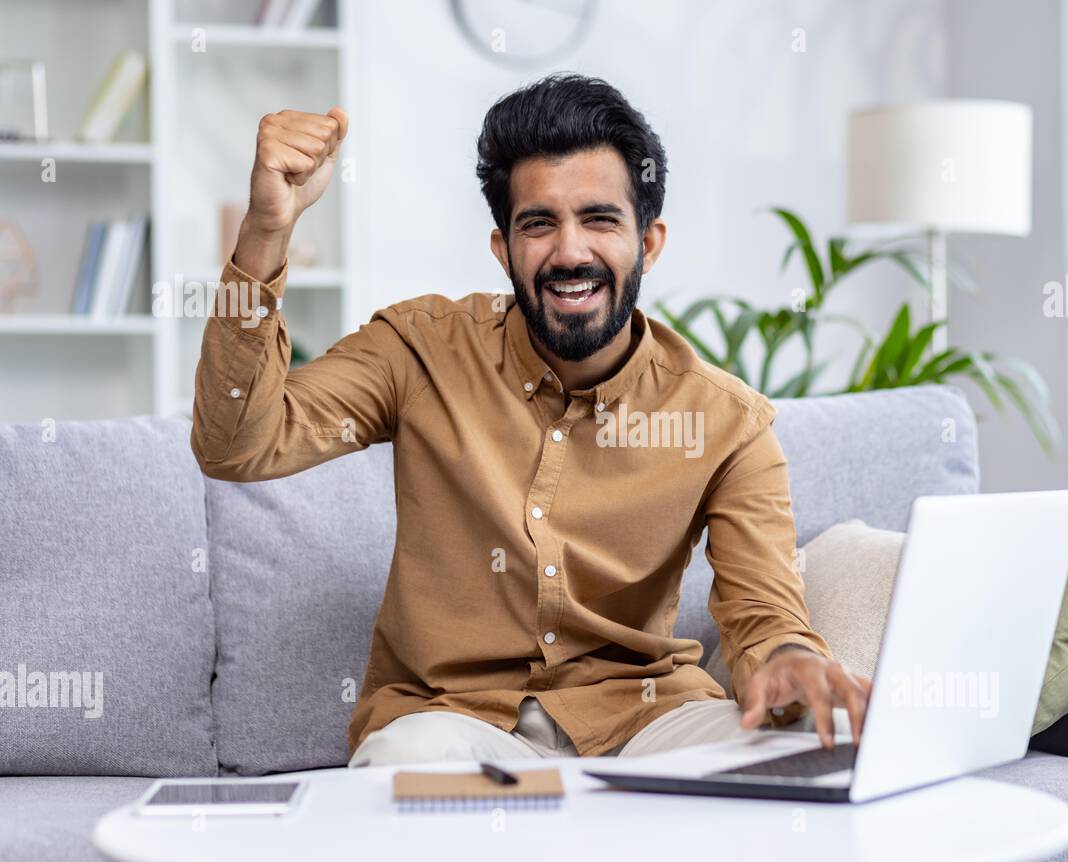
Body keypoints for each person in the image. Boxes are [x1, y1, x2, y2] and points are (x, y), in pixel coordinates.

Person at [190, 73, 871, 768]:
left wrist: (788, 657)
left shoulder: (725, 422)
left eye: (600, 219)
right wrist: (266, 232)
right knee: (407, 767)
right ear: (503, 248)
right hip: (453, 723)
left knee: (796, 756)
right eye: (539, 223)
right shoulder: (419, 349)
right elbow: (237, 444)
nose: (570, 252)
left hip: (643, 719)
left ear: (650, 241)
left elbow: (764, 613)